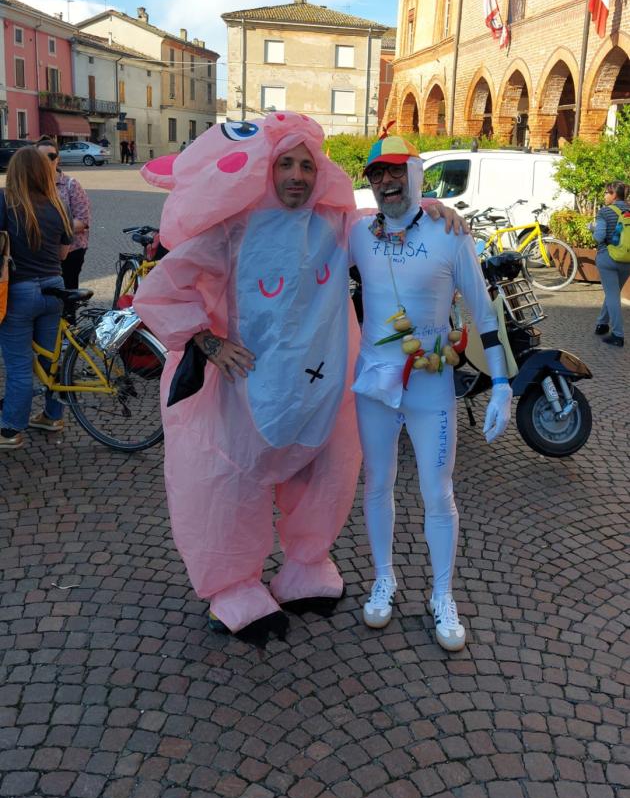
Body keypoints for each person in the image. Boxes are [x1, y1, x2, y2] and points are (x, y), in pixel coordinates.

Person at [134, 113, 462, 643]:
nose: (296, 175)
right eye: (285, 163)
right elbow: (164, 290)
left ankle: (306, 564)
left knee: (324, 475)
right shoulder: (233, 228)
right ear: (267, 169)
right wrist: (207, 341)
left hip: (319, 392)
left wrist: (428, 209)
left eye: (306, 166)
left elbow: (383, 225)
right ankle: (233, 585)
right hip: (244, 395)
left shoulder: (334, 225)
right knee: (230, 483)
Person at [350, 133, 512, 652]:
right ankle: (384, 578)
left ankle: (443, 594)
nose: (387, 181)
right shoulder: (358, 233)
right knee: (377, 483)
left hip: (430, 383)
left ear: (416, 173)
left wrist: (502, 384)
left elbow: (483, 312)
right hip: (374, 382)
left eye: (397, 170)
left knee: (437, 492)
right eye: (377, 173)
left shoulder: (450, 234)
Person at [0, 147, 73, 449]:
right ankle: (52, 416)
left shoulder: (5, 201)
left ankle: (10, 430)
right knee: (50, 359)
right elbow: (64, 252)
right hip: (54, 287)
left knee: (19, 365)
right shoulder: (57, 205)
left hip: (19, 291)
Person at [36, 139, 91, 289]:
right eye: (41, 157)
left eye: (51, 156)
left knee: (68, 290)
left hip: (71, 251)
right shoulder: (31, 185)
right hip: (40, 252)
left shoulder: (71, 185)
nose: (46, 161)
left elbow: (82, 221)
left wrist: (50, 229)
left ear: (58, 159)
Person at [591, 180, 630, 347]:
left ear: (614, 195)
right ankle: (602, 324)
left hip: (608, 258)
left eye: (607, 192)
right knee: (613, 292)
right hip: (627, 259)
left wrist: (592, 228)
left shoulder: (605, 212)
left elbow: (599, 237)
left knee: (613, 295)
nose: (605, 195)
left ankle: (617, 334)